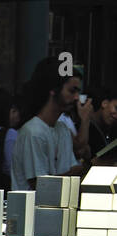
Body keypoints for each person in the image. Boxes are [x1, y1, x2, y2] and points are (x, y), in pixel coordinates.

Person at [11, 58, 87, 191]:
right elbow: (41, 185)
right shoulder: (33, 132)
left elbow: (71, 170)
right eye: (71, 91)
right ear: (53, 89)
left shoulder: (62, 129)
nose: (76, 98)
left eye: (77, 92)